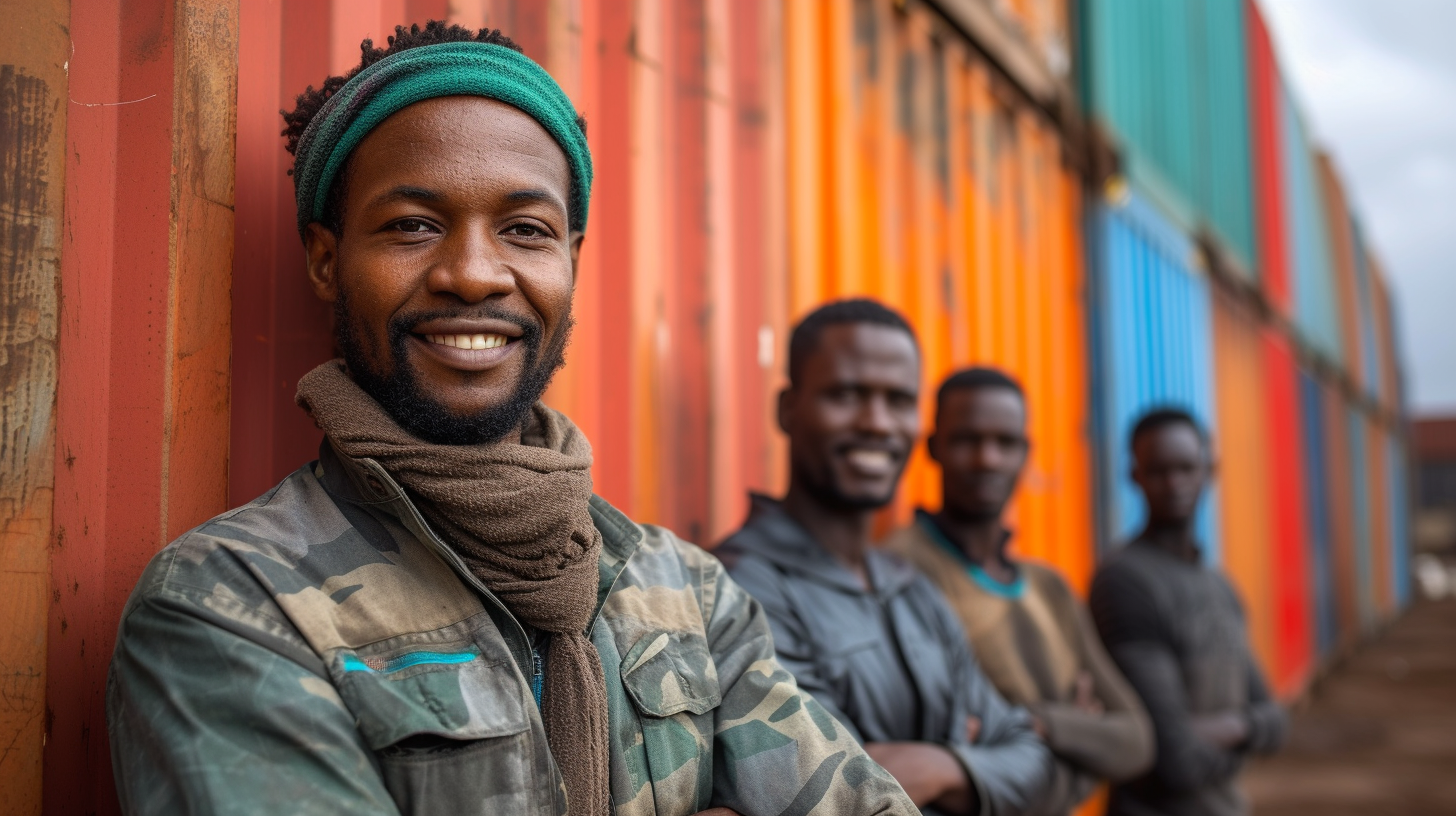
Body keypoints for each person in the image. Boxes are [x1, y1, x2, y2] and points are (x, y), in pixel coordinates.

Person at [105, 23, 917, 816]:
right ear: (326, 259)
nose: (473, 274)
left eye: (526, 230)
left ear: (571, 260)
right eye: (413, 225)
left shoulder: (688, 595)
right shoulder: (230, 606)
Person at [716, 300, 1054, 816]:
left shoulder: (911, 585)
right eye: (847, 395)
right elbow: (819, 790)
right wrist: (973, 761)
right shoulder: (738, 588)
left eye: (899, 400)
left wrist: (942, 769)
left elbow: (1034, 760)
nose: (878, 423)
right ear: (788, 409)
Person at [885, 367, 1154, 815]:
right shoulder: (899, 570)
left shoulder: (1049, 588)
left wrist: (1037, 723)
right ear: (933, 447)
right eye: (967, 439)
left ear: (1025, 453)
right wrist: (1082, 737)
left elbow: (1136, 741)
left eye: (1005, 442)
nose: (987, 458)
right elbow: (929, 769)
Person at [1089, 409, 1287, 816]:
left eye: (1186, 468)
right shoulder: (1124, 582)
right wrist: (1247, 735)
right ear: (1134, 475)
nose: (1174, 483)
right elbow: (1174, 761)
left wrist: (1234, 728)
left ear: (1209, 471)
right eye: (1159, 470)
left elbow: (1276, 720)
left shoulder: (1221, 588)